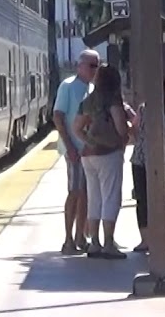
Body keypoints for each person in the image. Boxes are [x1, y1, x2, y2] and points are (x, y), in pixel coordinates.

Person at [74, 64, 135, 259]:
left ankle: (94, 243)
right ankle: (109, 242)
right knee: (110, 196)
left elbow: (76, 128)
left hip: (88, 156)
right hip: (109, 154)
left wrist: (90, 140)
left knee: (94, 198)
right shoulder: (113, 100)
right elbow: (121, 129)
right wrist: (125, 135)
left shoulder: (88, 100)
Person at [129, 75, 165, 251]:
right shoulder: (143, 109)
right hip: (140, 159)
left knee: (161, 198)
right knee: (142, 199)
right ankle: (146, 240)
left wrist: (163, 142)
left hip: (164, 159)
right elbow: (135, 128)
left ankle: (162, 236)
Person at [53, 49, 97, 255]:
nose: (94, 70)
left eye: (97, 66)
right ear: (80, 66)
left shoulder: (93, 89)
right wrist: (69, 146)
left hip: (88, 151)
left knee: (85, 194)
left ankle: (81, 236)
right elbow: (58, 116)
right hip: (75, 150)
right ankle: (68, 239)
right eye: (91, 66)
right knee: (75, 192)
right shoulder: (68, 87)